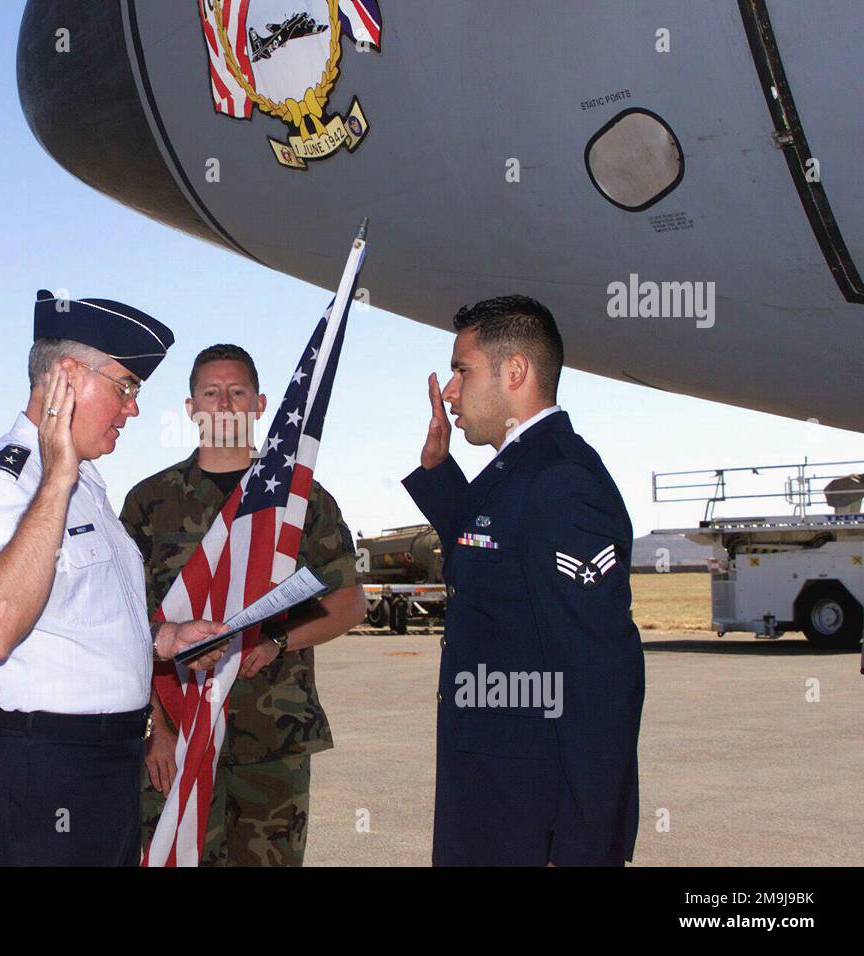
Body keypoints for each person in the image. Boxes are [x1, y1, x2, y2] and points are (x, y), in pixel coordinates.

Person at [0, 290, 227, 867]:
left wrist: (162, 640)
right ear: (67, 378)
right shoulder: (9, 484)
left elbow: (74, 617)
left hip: (103, 767)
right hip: (41, 772)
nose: (133, 409)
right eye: (125, 387)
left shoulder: (86, 485)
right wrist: (56, 481)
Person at [401, 295, 644, 866]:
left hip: (531, 822)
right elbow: (493, 554)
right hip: (492, 800)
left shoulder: (562, 480)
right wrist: (438, 474)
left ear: (515, 371)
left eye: (462, 370)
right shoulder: (517, 469)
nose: (451, 391)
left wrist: (581, 845)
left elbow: (600, 679)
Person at [120, 344, 367, 866]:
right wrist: (154, 731)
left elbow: (349, 602)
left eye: (237, 392)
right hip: (177, 736)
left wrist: (278, 641)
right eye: (211, 393)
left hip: (271, 742)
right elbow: (127, 624)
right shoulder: (150, 501)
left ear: (260, 405)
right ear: (191, 409)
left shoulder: (301, 501)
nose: (225, 403)